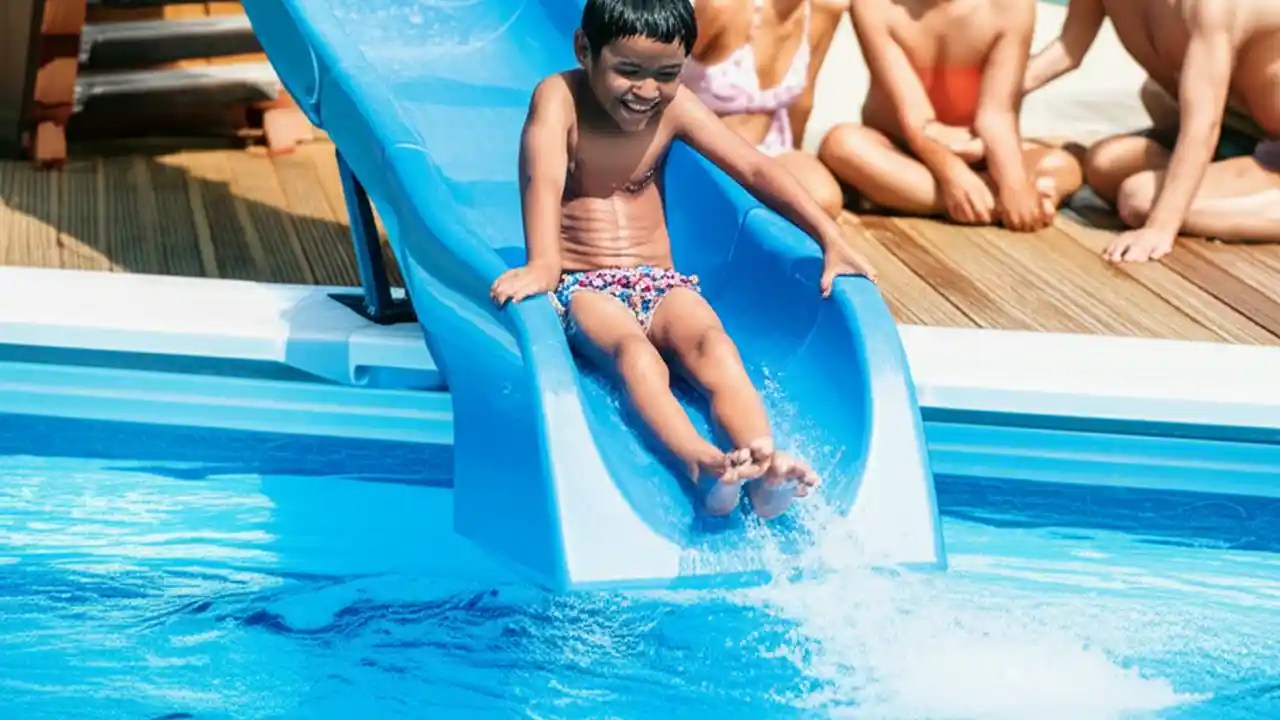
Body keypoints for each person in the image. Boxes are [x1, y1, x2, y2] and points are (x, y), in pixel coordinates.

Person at [488, 0, 877, 519]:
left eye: (666, 74)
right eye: (627, 70)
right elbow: (544, 177)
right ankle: (700, 464)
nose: (646, 90)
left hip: (661, 282)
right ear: (585, 49)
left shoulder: (674, 107)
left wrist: (828, 235)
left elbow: (755, 169)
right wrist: (542, 264)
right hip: (583, 284)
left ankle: (763, 466)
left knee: (713, 345)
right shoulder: (559, 97)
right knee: (635, 354)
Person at [1024, 0, 1280, 262]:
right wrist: (992, 98)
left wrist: (1159, 228)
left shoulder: (1207, 7)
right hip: (1239, 131)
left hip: (1267, 150)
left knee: (1139, 200)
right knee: (1106, 162)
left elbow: (1202, 125)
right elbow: (1068, 49)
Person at [815, 0, 1083, 232]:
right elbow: (915, 117)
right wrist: (952, 173)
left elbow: (997, 113)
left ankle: (964, 199)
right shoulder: (876, 6)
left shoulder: (1009, 6)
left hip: (975, 149)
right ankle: (983, 200)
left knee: (1064, 166)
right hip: (900, 149)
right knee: (841, 145)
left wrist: (1014, 185)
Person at [682, 0, 848, 218]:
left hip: (769, 149)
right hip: (699, 149)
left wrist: (796, 157)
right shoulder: (721, 7)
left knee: (822, 199)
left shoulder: (825, 8)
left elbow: (802, 102)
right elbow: (661, 80)